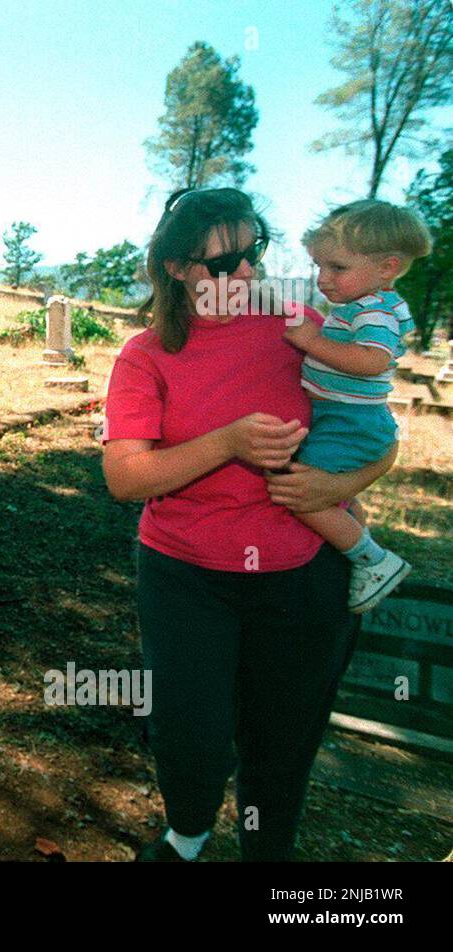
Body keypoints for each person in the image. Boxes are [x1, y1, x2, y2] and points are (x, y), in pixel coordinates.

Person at [100, 187, 397, 862]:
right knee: (189, 730)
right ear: (176, 268)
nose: (245, 274)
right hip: (185, 578)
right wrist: (227, 444)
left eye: (254, 252)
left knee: (283, 738)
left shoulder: (298, 327)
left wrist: (341, 485)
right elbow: (125, 478)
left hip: (301, 574)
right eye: (223, 262)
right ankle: (187, 835)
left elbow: (381, 432)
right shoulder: (146, 356)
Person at [285, 199, 432, 612]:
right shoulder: (361, 305)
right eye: (319, 266)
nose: (323, 279)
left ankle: (372, 559)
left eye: (337, 268)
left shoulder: (376, 312)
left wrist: (313, 341)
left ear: (386, 267)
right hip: (342, 418)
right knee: (316, 488)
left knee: (301, 493)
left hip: (351, 422)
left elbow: (373, 361)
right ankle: (353, 529)